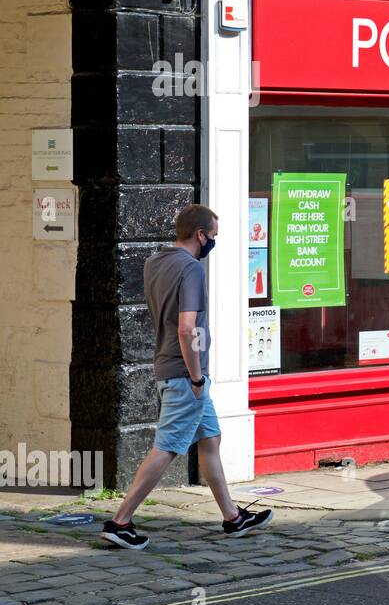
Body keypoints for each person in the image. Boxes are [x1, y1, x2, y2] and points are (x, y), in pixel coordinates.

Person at [101, 204, 273, 550]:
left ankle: (233, 518)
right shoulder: (191, 270)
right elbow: (186, 327)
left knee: (210, 440)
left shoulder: (156, 262)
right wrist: (196, 377)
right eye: (213, 237)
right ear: (200, 235)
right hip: (184, 375)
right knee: (166, 448)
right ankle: (120, 522)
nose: (213, 243)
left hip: (168, 367)